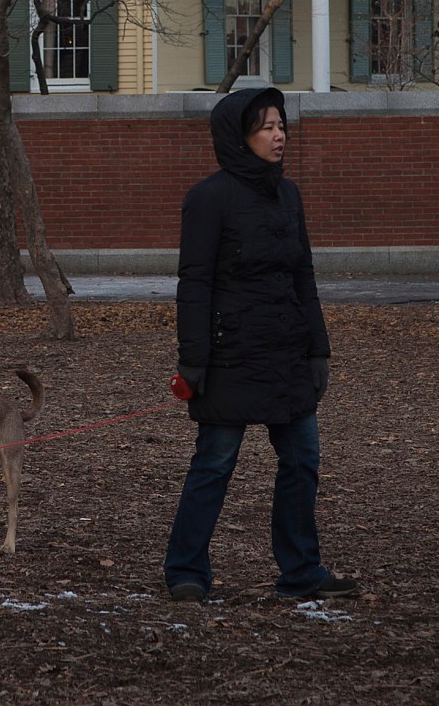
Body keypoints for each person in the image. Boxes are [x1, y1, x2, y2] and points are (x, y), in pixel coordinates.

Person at [162, 85, 359, 604]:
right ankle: (185, 570)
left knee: (302, 460)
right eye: (266, 127)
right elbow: (194, 283)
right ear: (239, 136)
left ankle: (300, 571)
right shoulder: (208, 199)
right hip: (230, 357)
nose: (279, 136)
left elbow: (304, 275)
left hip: (287, 354)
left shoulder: (287, 194)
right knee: (215, 462)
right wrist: (194, 360)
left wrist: (319, 349)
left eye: (281, 125)